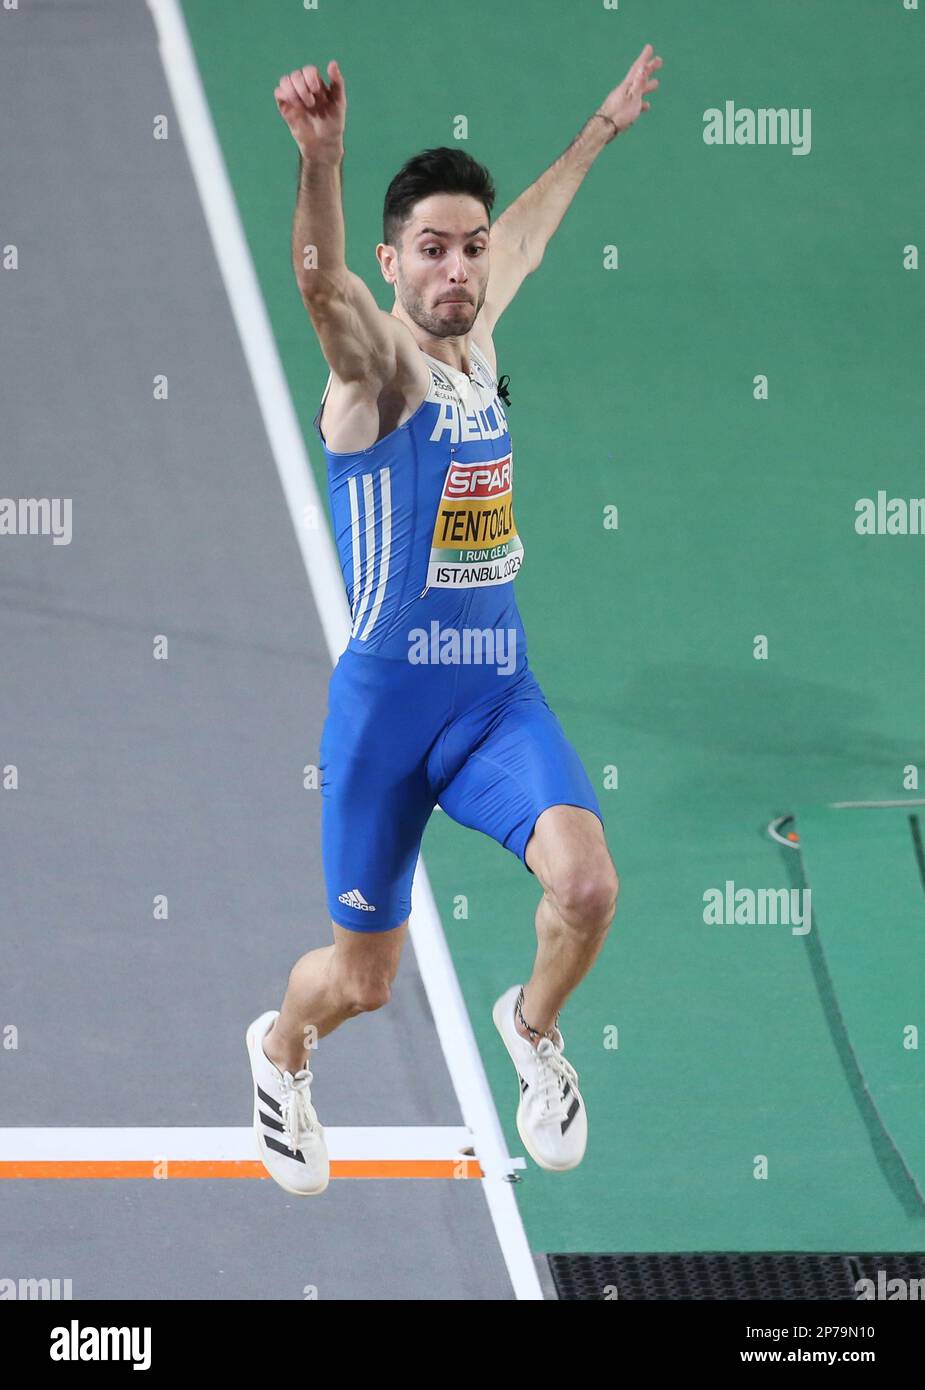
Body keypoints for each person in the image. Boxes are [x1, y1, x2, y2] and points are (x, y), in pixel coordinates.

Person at [246, 46, 663, 1195]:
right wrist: (321, 161)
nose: (460, 266)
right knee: (362, 982)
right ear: (394, 262)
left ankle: (530, 1029)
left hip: (492, 695)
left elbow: (528, 228)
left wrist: (599, 128)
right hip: (385, 721)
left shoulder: (477, 338)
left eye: (467, 248)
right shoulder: (375, 374)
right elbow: (322, 291)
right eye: (431, 249)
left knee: (586, 885)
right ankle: (280, 1056)